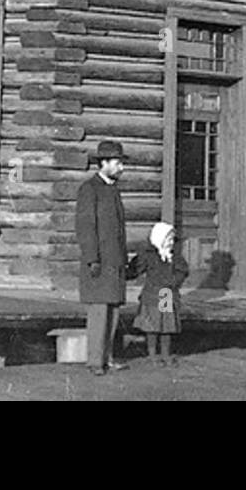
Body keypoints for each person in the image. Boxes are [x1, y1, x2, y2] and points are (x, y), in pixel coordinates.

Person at [76, 140, 129, 375]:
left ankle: (107, 358)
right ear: (104, 163)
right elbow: (85, 227)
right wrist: (92, 259)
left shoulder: (113, 190)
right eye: (117, 163)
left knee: (113, 312)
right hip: (98, 262)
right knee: (99, 312)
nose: (121, 168)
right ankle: (95, 362)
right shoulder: (90, 189)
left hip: (115, 262)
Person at [128, 221, 188, 365]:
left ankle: (165, 354)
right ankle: (152, 354)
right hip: (152, 294)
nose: (171, 242)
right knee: (152, 326)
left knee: (166, 326)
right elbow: (135, 269)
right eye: (168, 239)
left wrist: (173, 281)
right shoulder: (149, 255)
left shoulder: (174, 257)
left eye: (172, 240)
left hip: (166, 294)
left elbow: (182, 271)